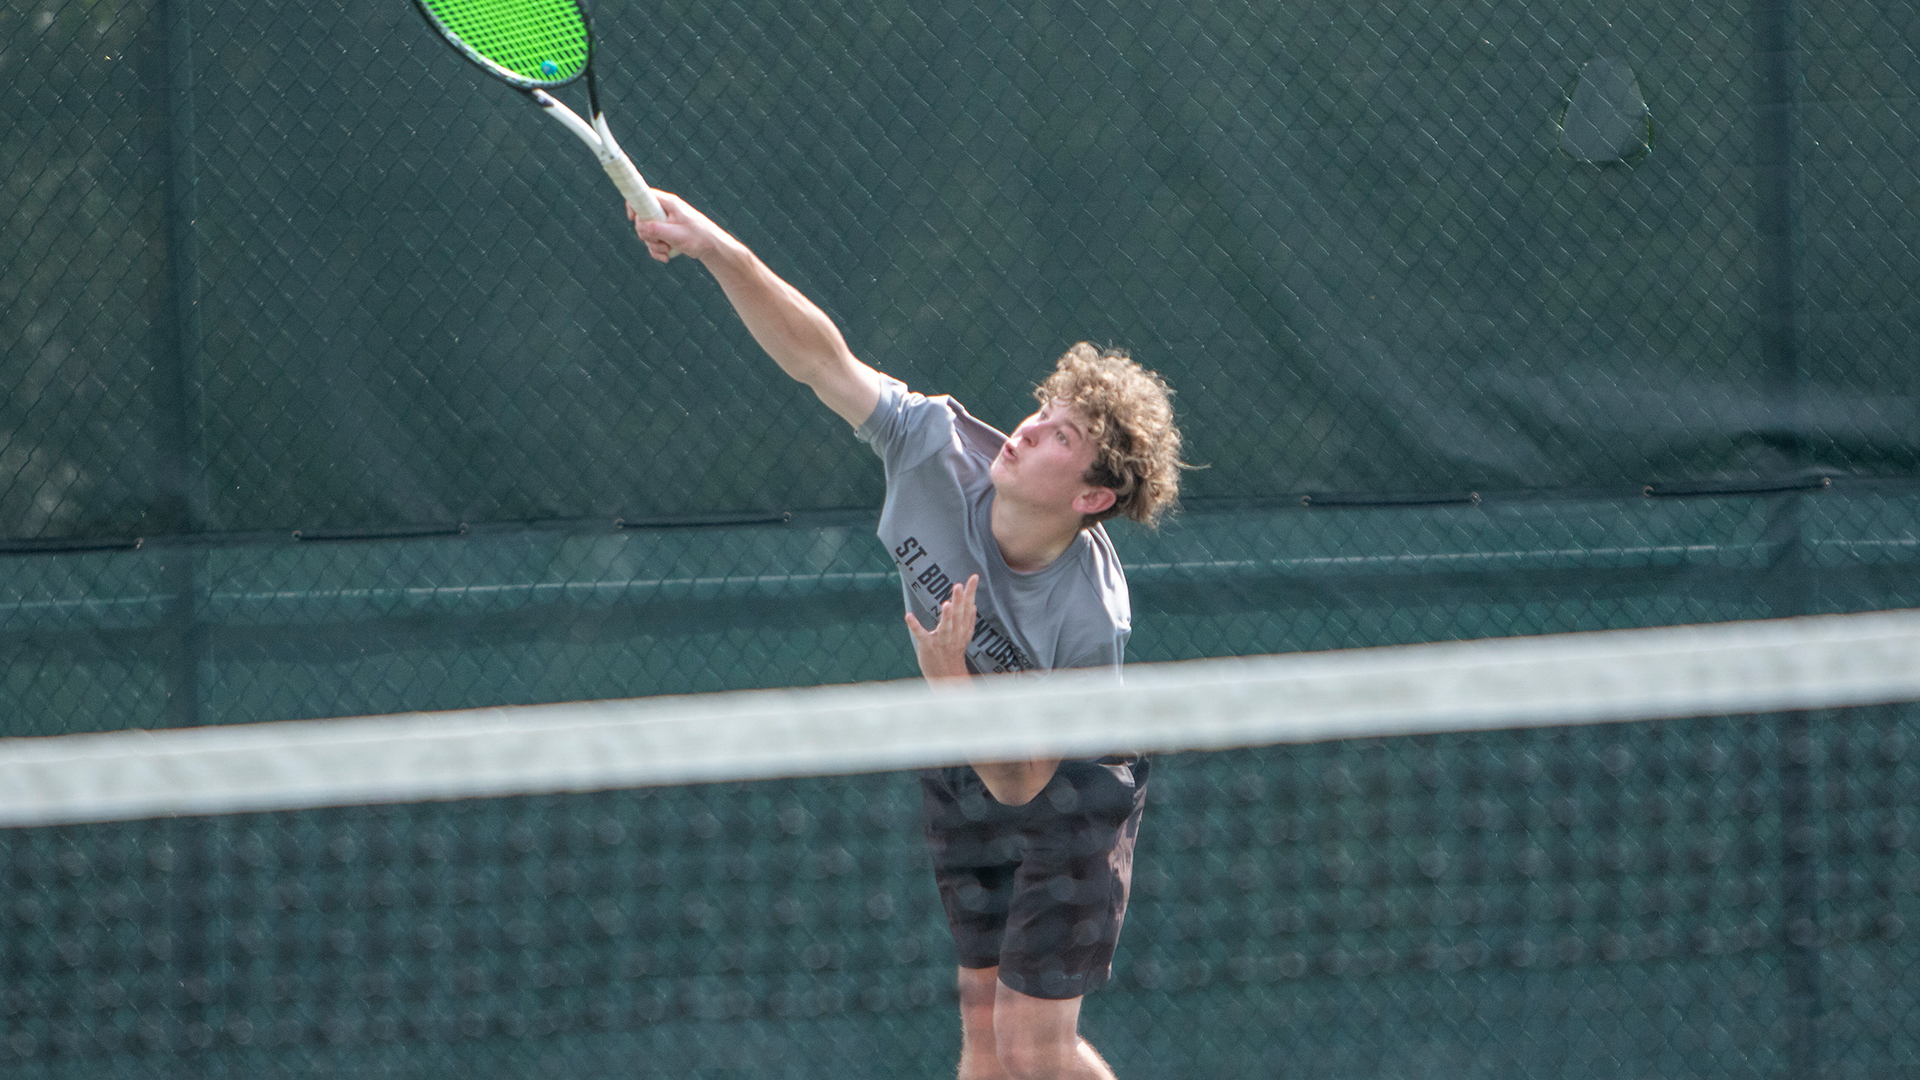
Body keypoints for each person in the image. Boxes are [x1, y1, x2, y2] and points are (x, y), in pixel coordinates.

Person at [630, 194, 1184, 1080]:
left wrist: (947, 681)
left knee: (1033, 1048)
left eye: (1061, 437)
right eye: (1043, 409)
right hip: (960, 746)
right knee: (979, 1031)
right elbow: (821, 361)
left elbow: (1023, 781)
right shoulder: (934, 447)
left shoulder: (1085, 618)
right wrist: (714, 248)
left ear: (1091, 497)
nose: (1030, 427)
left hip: (1068, 783)